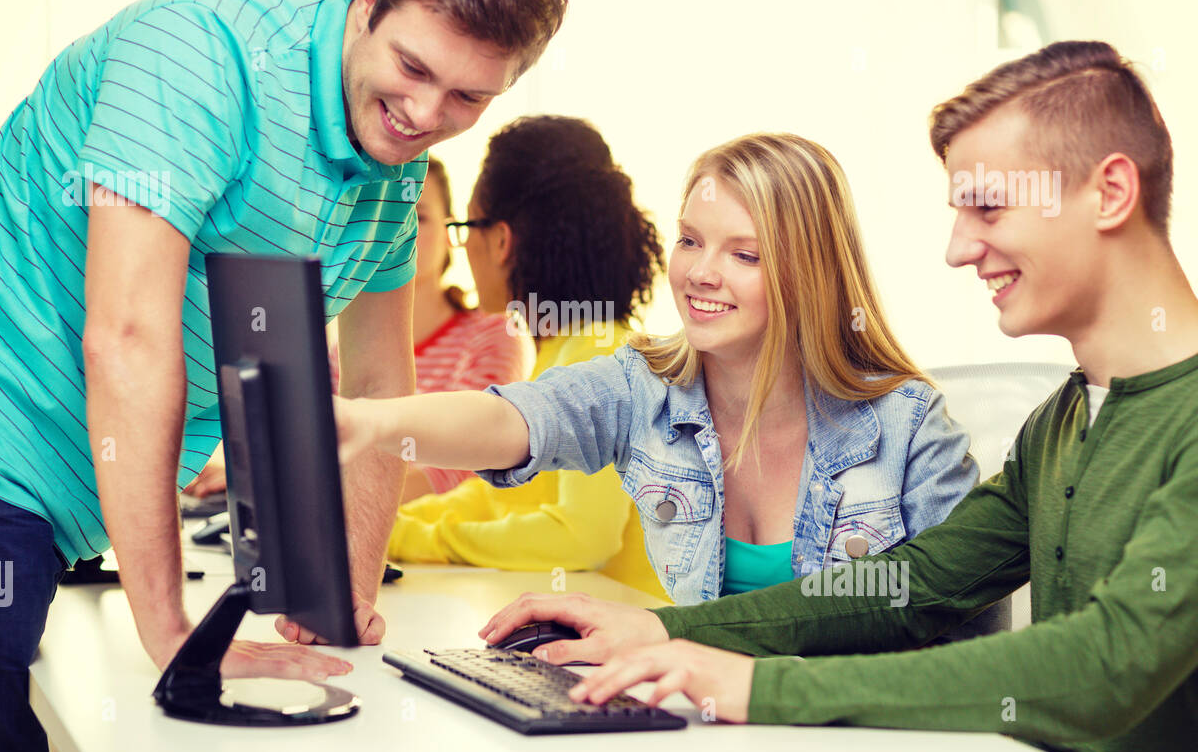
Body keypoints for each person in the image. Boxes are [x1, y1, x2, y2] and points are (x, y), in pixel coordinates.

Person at [0, 0, 569, 752]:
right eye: (413, 68)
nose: (423, 116)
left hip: (45, 502)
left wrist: (337, 597)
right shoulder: (198, 56)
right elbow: (128, 338)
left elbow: (380, 390)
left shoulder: (392, 175)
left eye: (466, 98)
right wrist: (169, 627)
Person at [481, 41, 1198, 752]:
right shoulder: (1064, 418)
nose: (958, 248)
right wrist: (666, 630)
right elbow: (912, 584)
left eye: (987, 207)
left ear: (1111, 192)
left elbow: (1109, 663)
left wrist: (761, 686)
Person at [321, 132, 979, 610]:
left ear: (810, 271)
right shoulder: (645, 385)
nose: (698, 272)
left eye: (743, 254)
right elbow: (512, 417)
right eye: (690, 239)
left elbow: (948, 639)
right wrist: (364, 419)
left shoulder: (911, 428)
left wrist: (679, 642)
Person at [377, 115, 670, 598]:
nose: (464, 243)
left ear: (501, 240)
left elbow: (582, 537)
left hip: (627, 643)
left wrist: (419, 537)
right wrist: (390, 521)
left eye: (466, 226)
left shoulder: (598, 355)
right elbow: (497, 499)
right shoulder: (566, 349)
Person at [183, 157, 536, 502]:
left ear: (449, 235)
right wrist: (254, 474)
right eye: (397, 218)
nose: (403, 229)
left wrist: (291, 487)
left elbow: (469, 467)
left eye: (420, 218)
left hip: (436, 548)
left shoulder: (494, 336)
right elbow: (307, 446)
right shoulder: (346, 352)